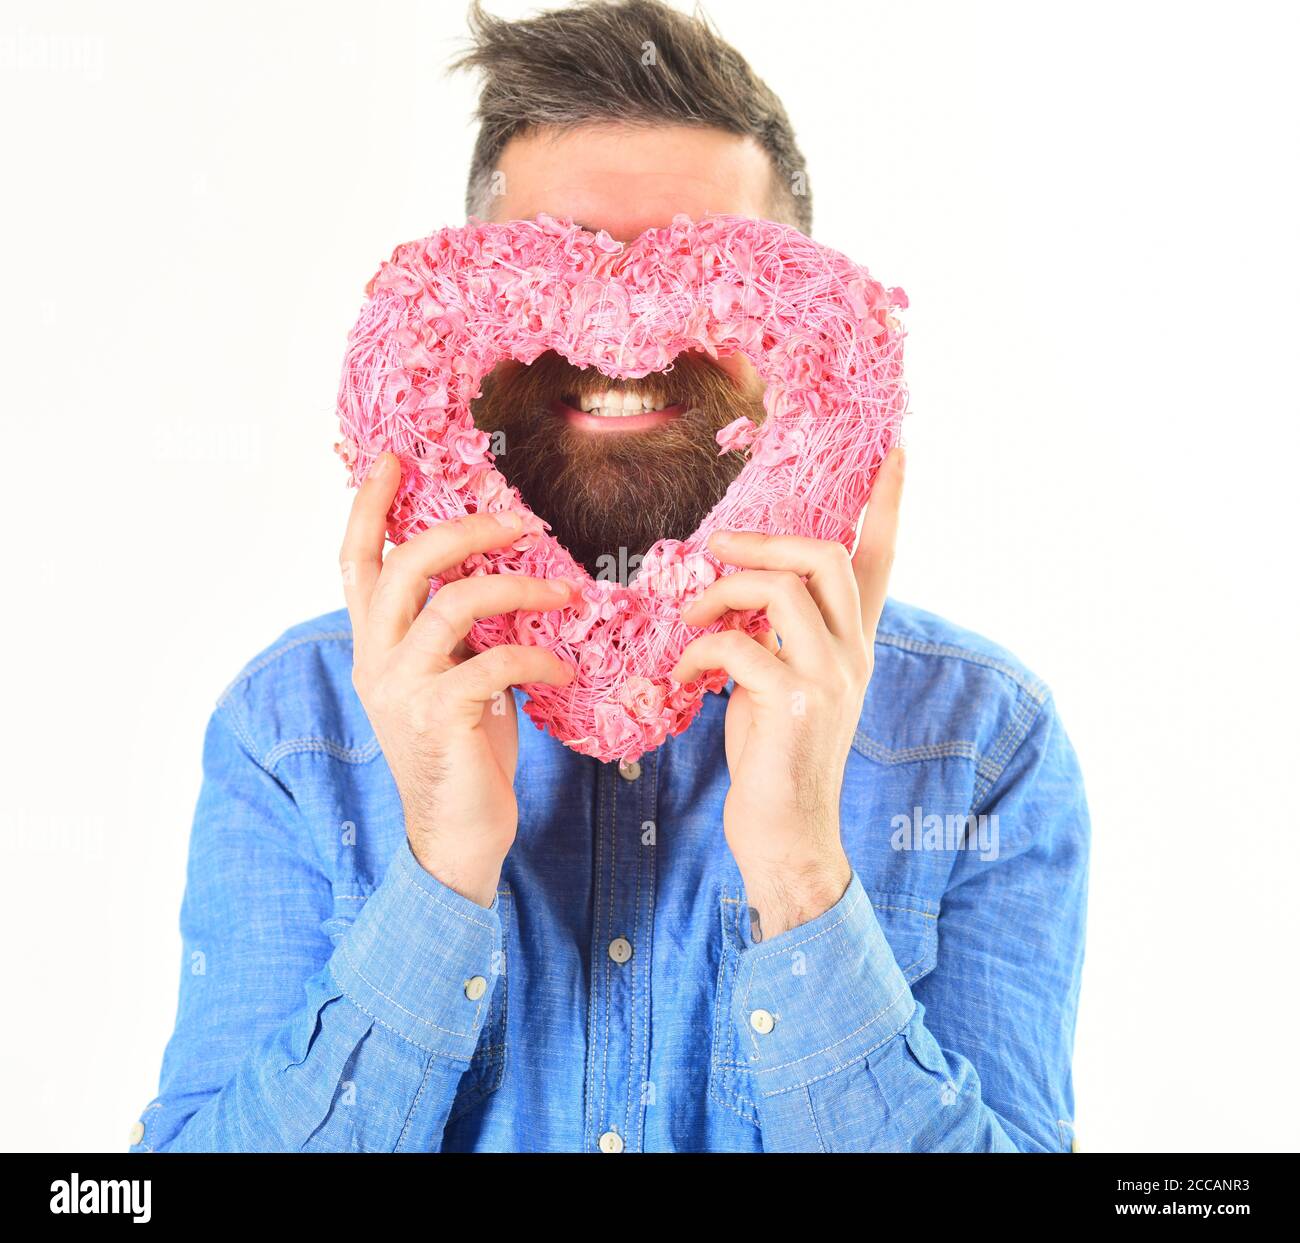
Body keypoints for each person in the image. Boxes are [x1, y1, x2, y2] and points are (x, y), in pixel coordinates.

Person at [133, 0, 1088, 1154]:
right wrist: (439, 869)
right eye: (554, 264)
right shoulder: (293, 732)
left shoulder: (978, 741)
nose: (620, 335)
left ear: (799, 333)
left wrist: (797, 873)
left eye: (709, 275)